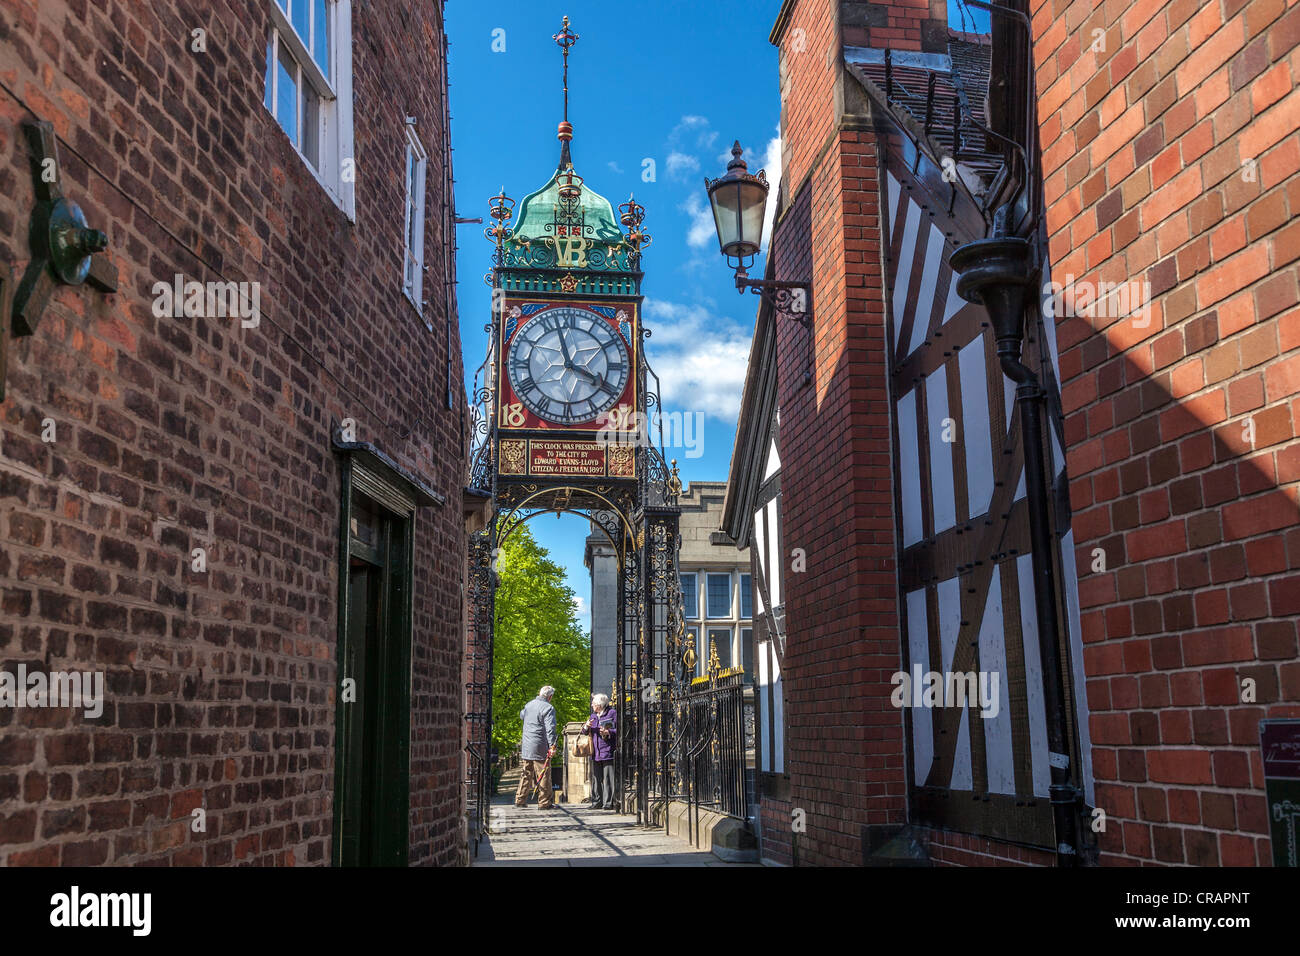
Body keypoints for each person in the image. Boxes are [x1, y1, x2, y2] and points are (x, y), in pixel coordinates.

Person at [515, 685, 558, 809]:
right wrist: (552, 746)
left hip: (527, 744)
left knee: (526, 772)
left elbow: (522, 715)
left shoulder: (529, 705)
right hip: (540, 744)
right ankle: (544, 802)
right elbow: (550, 729)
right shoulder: (548, 708)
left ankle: (520, 799)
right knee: (543, 773)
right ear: (550, 697)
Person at [581, 693, 617, 810]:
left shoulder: (612, 713)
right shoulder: (593, 715)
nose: (592, 705)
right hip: (595, 751)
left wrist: (609, 732)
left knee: (607, 778)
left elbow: (618, 729)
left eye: (594, 704)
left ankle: (608, 802)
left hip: (607, 750)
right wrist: (586, 726)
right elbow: (584, 732)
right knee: (596, 778)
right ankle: (596, 801)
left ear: (600, 705)